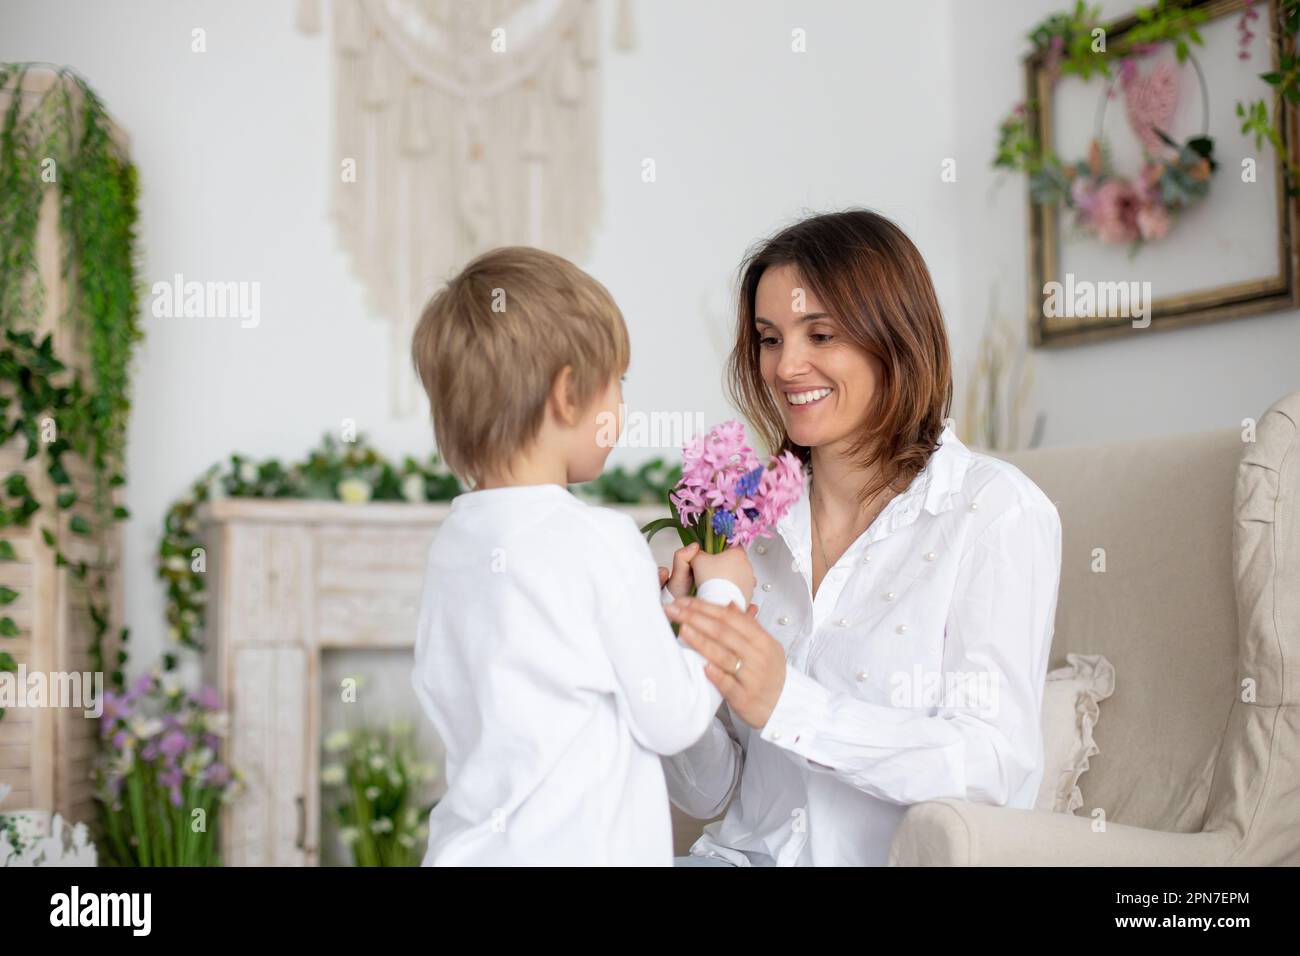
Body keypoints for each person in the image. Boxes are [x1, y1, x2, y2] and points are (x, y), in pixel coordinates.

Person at [662, 210, 1063, 866]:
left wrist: (791, 705)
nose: (787, 366)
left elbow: (995, 765)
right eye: (769, 339)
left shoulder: (995, 512)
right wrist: (681, 645)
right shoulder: (746, 526)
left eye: (820, 333)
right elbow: (713, 793)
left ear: (894, 335)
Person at [408, 246, 754, 865]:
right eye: (617, 383)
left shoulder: (454, 546)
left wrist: (653, 613)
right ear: (568, 395)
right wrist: (721, 598)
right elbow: (672, 719)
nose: (621, 404)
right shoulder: (599, 538)